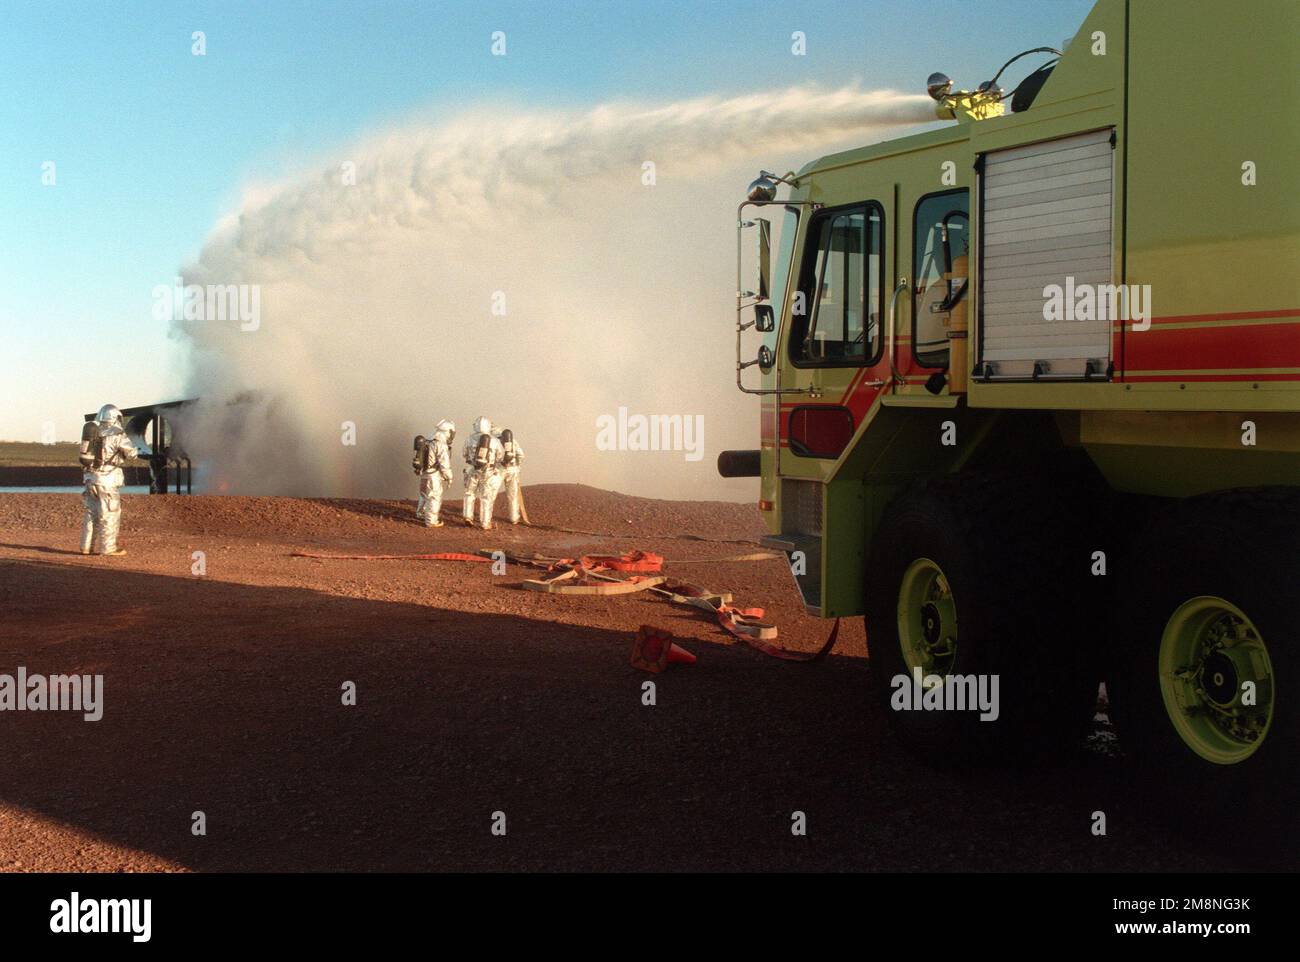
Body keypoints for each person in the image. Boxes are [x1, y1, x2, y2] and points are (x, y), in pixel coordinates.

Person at [79, 404, 140, 556]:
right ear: (115, 417)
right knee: (110, 513)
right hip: (107, 479)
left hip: (89, 478)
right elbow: (132, 453)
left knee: (91, 513)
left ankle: (86, 547)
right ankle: (108, 548)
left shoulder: (93, 431)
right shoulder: (118, 434)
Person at [462, 415, 505, 529]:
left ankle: (467, 516)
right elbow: (501, 456)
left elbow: (464, 454)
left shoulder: (469, 439)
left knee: (469, 493)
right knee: (486, 497)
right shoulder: (494, 440)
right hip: (488, 471)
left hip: (472, 469)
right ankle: (485, 523)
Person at [412, 419, 455, 527]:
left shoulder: (428, 440)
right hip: (433, 475)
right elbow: (444, 464)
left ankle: (420, 513)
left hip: (424, 474)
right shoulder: (440, 444)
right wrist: (449, 477)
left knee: (424, 495)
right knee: (434, 497)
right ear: (448, 431)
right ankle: (431, 521)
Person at [497, 427, 525, 524]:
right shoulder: (514, 442)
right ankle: (514, 518)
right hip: (513, 470)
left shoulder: (495, 443)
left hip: (500, 469)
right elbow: (521, 455)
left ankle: (486, 519)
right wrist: (517, 466)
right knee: (513, 495)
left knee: (491, 494)